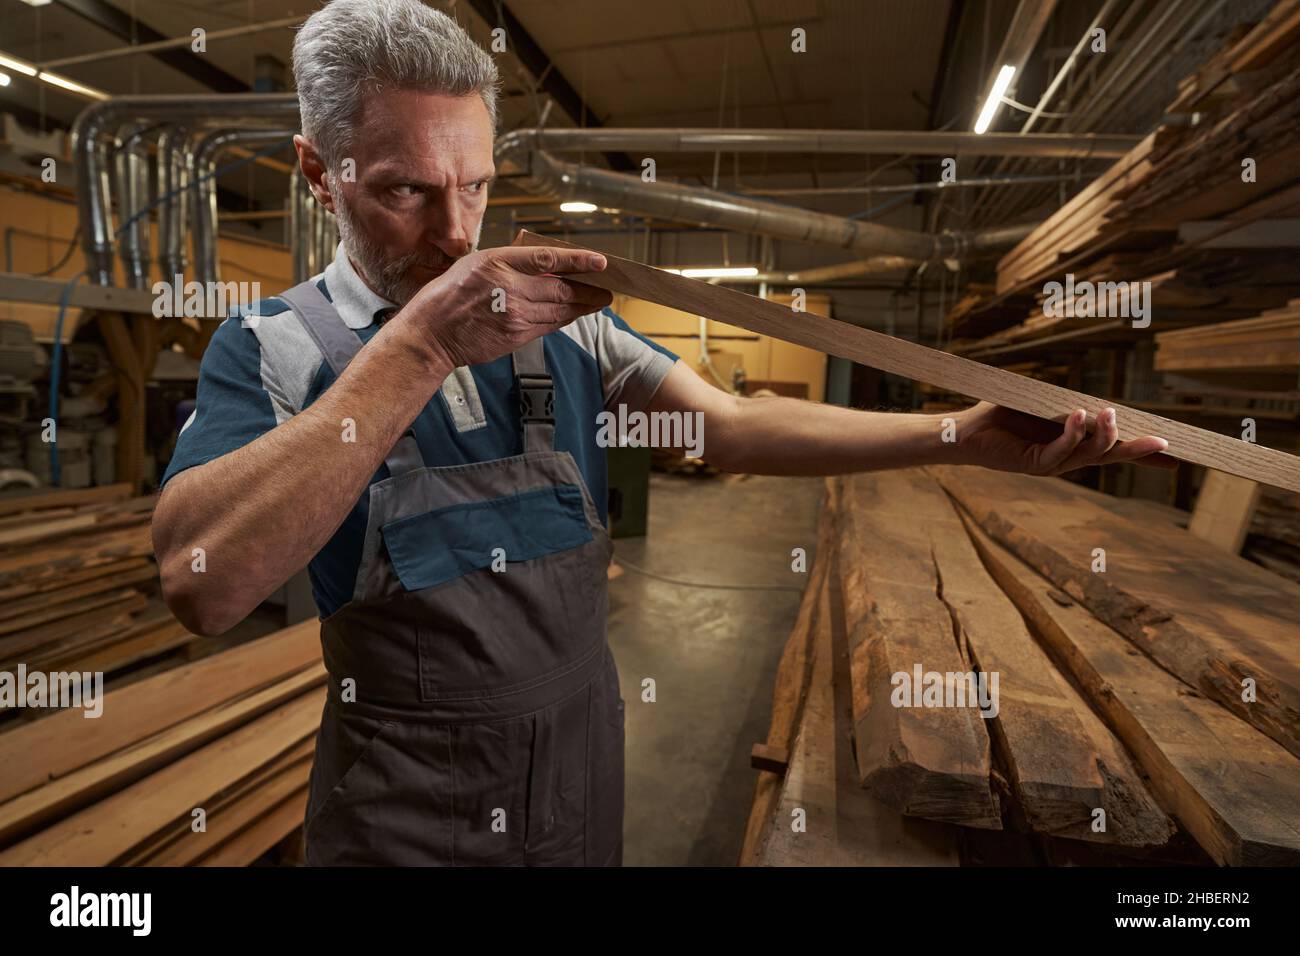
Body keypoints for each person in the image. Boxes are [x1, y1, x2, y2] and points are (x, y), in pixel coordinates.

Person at [152, 0, 1171, 867]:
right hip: (403, 806)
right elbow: (206, 584)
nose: (458, 234)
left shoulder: (561, 320)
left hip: (579, 773)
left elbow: (730, 425)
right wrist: (418, 347)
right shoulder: (272, 346)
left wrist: (960, 433)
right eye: (405, 190)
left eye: (474, 183)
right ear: (316, 173)